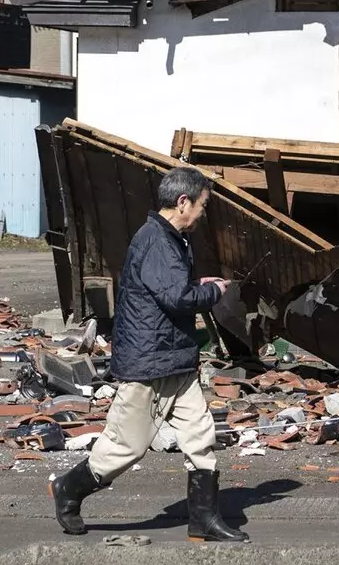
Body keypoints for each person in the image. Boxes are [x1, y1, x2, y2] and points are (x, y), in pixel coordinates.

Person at [48, 166, 248, 543]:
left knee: (200, 435)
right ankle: (68, 490)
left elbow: (170, 289)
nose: (204, 213)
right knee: (127, 447)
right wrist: (214, 292)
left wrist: (197, 284)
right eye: (202, 205)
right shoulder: (156, 240)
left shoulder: (172, 238)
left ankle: (203, 520)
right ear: (183, 202)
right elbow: (177, 298)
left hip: (175, 359)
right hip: (148, 361)